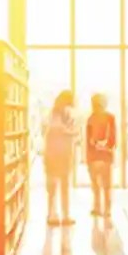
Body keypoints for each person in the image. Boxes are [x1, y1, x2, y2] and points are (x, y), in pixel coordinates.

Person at [44, 91, 79, 226]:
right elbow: (58, 128)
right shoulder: (57, 113)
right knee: (56, 184)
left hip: (60, 152)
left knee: (60, 184)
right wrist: (72, 132)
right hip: (57, 152)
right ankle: (56, 214)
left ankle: (60, 214)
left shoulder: (61, 113)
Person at [86, 93, 117, 218]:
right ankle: (107, 209)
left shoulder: (91, 118)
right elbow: (113, 137)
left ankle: (98, 207)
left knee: (97, 185)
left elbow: (88, 140)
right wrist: (108, 146)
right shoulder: (110, 117)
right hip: (105, 155)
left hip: (94, 156)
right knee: (106, 184)